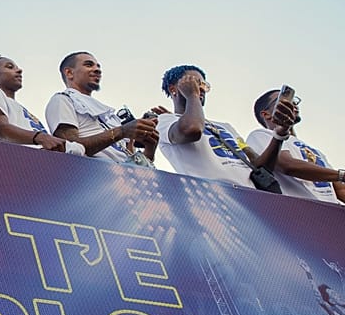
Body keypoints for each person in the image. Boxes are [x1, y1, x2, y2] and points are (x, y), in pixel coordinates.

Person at [155, 65, 294, 187]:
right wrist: (192, 95)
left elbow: (259, 165)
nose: (201, 89)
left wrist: (279, 134)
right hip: (214, 195)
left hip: (253, 197)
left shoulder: (226, 127)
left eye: (204, 85)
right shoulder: (165, 121)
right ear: (173, 89)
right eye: (194, 82)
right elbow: (192, 130)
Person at [45, 52, 157, 163]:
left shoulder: (110, 118)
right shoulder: (62, 100)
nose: (97, 69)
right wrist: (122, 131)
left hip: (123, 176)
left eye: (98, 66)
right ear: (69, 73)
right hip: (93, 175)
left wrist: (150, 148)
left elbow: (132, 161)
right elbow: (70, 149)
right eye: (89, 65)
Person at [248, 89, 344, 203]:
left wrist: (339, 176)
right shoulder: (262, 135)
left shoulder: (313, 150)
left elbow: (339, 188)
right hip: (299, 211)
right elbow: (287, 165)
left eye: (294, 100)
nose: (292, 103)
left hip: (332, 214)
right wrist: (340, 175)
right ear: (266, 114)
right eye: (284, 100)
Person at [0, 55, 80, 154]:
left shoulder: (21, 109)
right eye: (10, 67)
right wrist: (40, 137)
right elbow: (1, 130)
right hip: (11, 161)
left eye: (17, 67)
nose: (19, 70)